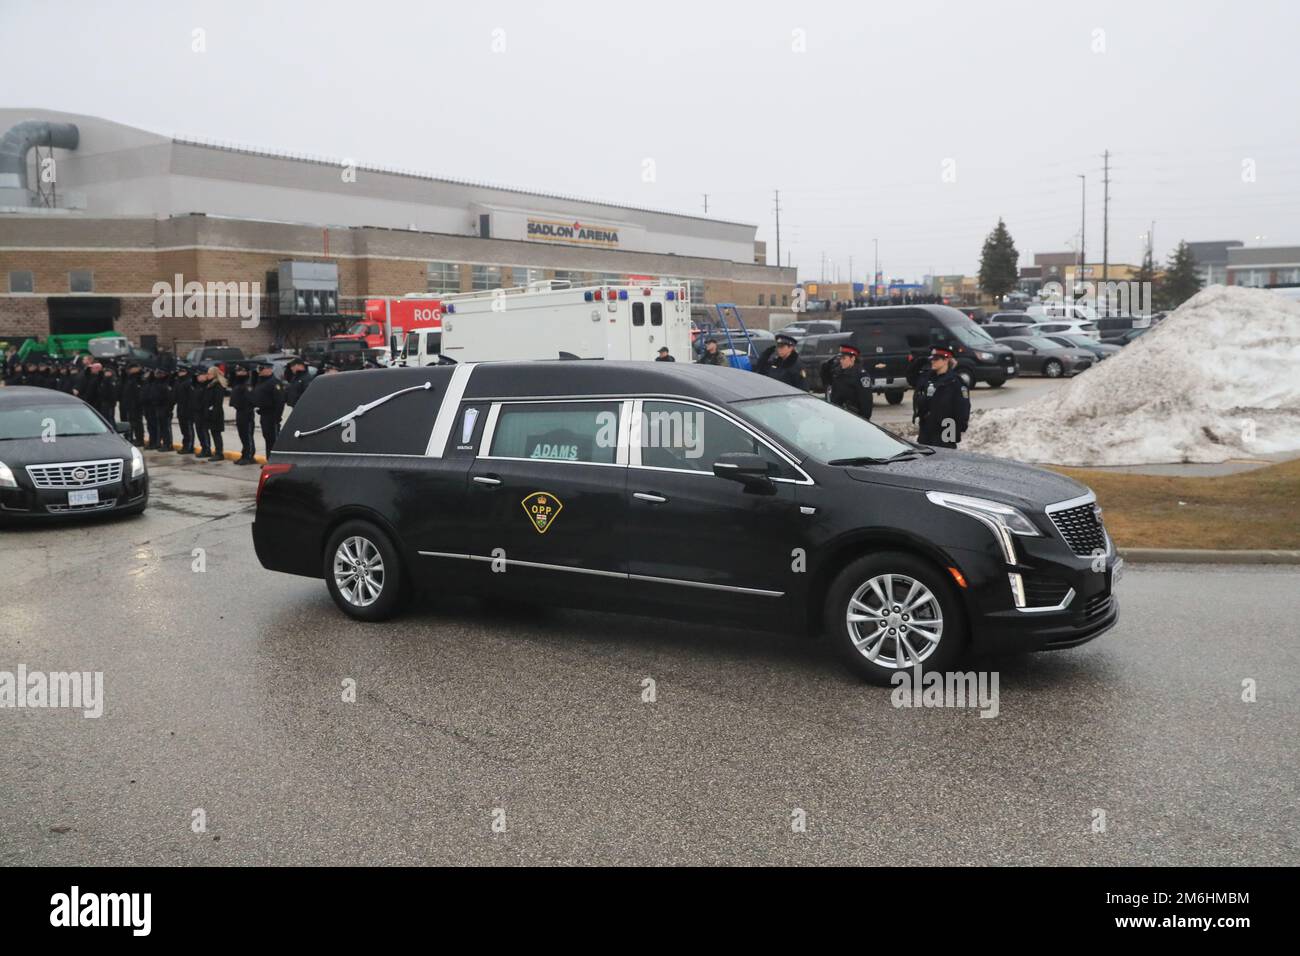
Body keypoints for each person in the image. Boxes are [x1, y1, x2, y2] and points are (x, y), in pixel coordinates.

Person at [914, 347, 970, 449]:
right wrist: (920, 360)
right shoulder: (928, 379)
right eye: (931, 359)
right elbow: (911, 377)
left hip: (947, 428)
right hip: (927, 429)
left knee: (946, 460)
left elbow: (962, 408)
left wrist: (959, 428)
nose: (932, 362)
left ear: (946, 360)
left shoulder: (955, 382)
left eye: (936, 359)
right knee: (925, 460)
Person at [824, 344, 874, 419]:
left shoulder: (861, 375)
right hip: (838, 416)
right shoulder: (838, 372)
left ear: (853, 358)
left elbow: (866, 401)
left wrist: (864, 420)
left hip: (854, 417)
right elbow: (825, 378)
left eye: (844, 358)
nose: (841, 361)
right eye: (840, 358)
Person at [251, 362, 286, 454]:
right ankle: (269, 459)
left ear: (269, 369)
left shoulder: (274, 383)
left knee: (273, 439)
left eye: (261, 369)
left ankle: (274, 461)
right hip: (264, 414)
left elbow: (280, 402)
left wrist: (277, 417)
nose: (259, 371)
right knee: (267, 438)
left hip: (272, 415)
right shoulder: (261, 381)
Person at [230, 364, 257, 464]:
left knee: (247, 435)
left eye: (242, 371)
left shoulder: (247, 384)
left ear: (246, 372)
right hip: (239, 411)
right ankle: (244, 454)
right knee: (242, 435)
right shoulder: (238, 383)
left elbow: (251, 400)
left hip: (247, 412)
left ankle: (249, 456)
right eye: (238, 371)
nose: (239, 373)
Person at [202, 366, 227, 461]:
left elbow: (217, 402)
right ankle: (217, 452)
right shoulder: (210, 384)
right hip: (210, 413)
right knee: (213, 433)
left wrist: (212, 412)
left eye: (209, 373)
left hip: (215, 414)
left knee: (216, 434)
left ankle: (219, 453)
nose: (207, 375)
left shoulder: (217, 386)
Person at [190, 366, 212, 458]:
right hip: (197, 412)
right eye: (197, 376)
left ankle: (207, 449)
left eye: (200, 375)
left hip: (203, 412)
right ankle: (204, 448)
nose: (198, 377)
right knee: (199, 431)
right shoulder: (197, 386)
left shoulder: (208, 386)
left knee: (203, 431)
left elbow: (207, 401)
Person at [120, 363, 144, 446]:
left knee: (137, 422)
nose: (130, 370)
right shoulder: (129, 378)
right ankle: (133, 438)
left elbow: (139, 392)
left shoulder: (139, 377)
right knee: (131, 422)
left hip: (136, 404)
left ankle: (140, 439)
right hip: (129, 403)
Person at [152, 368, 175, 451]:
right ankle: (164, 443)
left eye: (159, 373)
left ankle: (168, 444)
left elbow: (170, 398)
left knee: (166, 428)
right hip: (158, 407)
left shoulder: (166, 383)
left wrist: (168, 409)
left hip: (165, 408)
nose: (157, 375)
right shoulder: (157, 383)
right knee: (162, 428)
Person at [174, 366, 195, 454]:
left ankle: (189, 447)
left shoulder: (188, 382)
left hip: (188, 409)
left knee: (188, 429)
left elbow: (191, 398)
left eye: (182, 371)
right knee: (184, 429)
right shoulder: (178, 382)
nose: (180, 373)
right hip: (180, 408)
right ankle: (185, 445)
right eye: (179, 371)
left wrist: (190, 409)